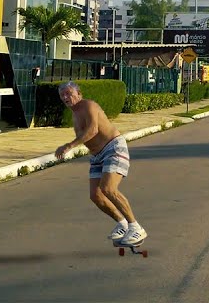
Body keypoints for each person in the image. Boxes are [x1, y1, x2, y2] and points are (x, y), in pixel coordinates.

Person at [54, 81, 147, 246]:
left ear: (79, 94)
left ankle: (135, 227)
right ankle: (123, 224)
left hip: (113, 147)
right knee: (95, 195)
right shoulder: (75, 114)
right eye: (62, 95)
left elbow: (93, 130)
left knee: (108, 188)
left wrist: (69, 146)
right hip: (97, 156)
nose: (65, 97)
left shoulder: (88, 105)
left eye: (69, 93)